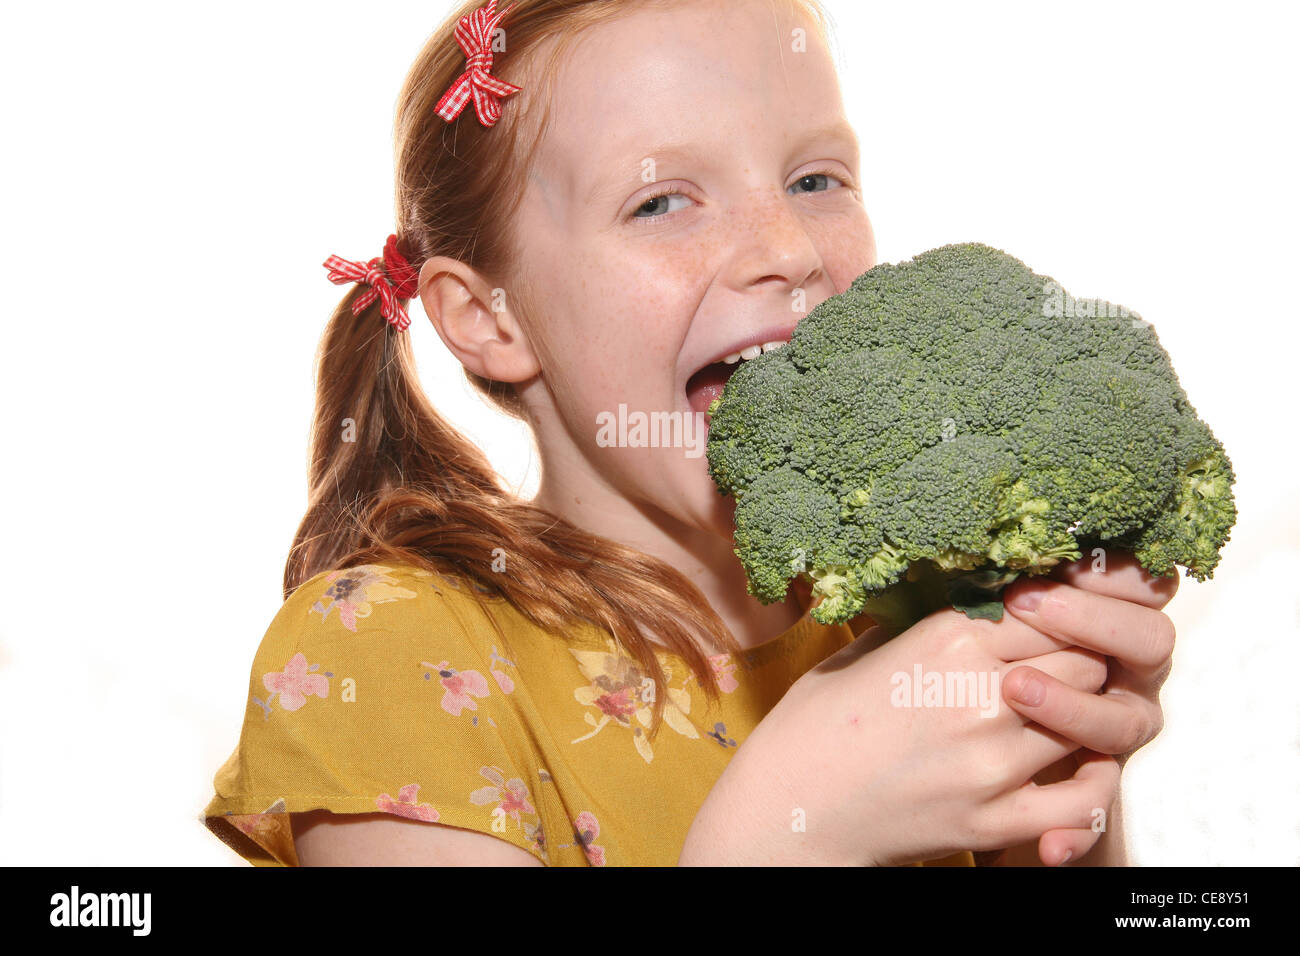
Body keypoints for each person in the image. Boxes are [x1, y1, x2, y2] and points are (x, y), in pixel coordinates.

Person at [202, 0, 1178, 867]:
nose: (789, 251)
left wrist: (1066, 766)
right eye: (661, 199)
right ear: (489, 316)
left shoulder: (915, 610)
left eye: (814, 178)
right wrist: (790, 830)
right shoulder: (387, 651)